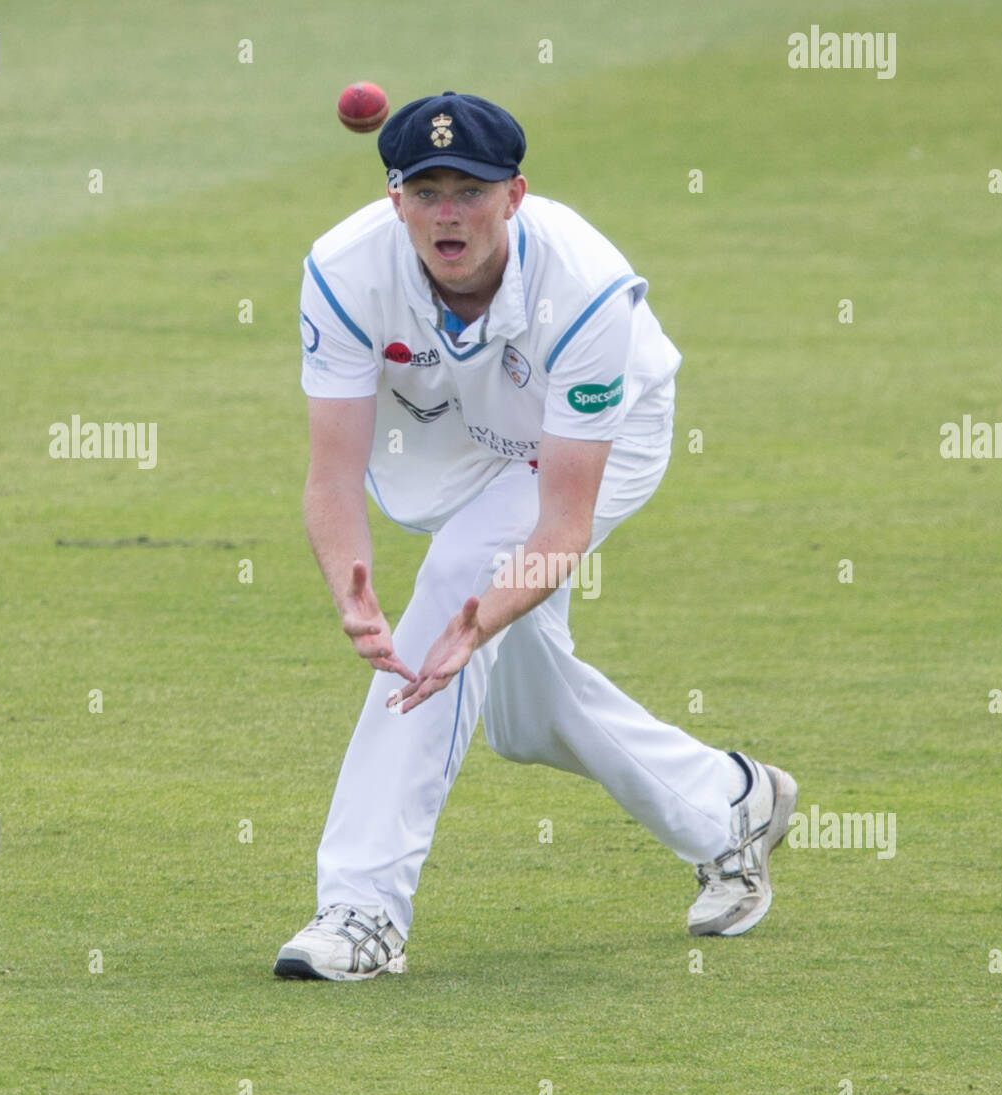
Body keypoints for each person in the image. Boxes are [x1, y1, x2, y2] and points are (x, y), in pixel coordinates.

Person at [275, 91, 796, 981]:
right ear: (394, 198)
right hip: (457, 436)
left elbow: (560, 523)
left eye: (470, 190)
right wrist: (349, 586)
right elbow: (331, 476)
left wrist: (474, 619)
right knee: (526, 714)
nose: (449, 212)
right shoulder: (342, 271)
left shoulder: (587, 291)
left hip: (597, 439)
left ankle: (361, 909)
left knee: (457, 581)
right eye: (427, 189)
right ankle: (728, 805)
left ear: (514, 194)